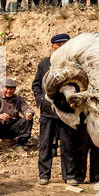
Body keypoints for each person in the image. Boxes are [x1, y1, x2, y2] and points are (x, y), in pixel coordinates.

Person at [33, 33, 72, 185]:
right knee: (45, 144)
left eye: (65, 45)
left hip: (66, 111)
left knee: (68, 145)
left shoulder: (72, 64)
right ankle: (44, 175)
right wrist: (41, 101)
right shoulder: (44, 64)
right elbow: (36, 85)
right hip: (48, 112)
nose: (62, 47)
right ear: (53, 46)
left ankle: (69, 176)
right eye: (59, 45)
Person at [0, 78, 34, 154]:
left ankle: (20, 146)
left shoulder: (18, 99)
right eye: (7, 88)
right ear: (2, 88)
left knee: (28, 120)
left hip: (13, 127)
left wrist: (29, 114)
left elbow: (26, 108)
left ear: (15, 89)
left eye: (12, 89)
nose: (9, 91)